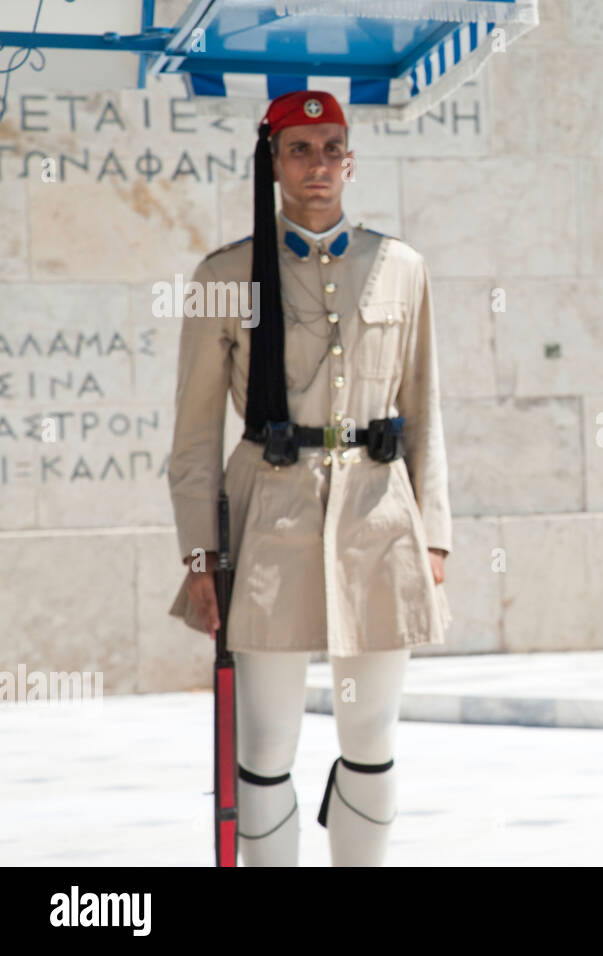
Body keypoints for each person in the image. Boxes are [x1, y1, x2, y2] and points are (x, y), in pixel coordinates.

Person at [167, 90, 453, 866]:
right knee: (266, 743)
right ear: (274, 162)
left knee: (371, 738)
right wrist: (202, 553)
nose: (318, 163)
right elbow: (194, 436)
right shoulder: (226, 275)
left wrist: (437, 541)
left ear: (350, 160)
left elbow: (424, 410)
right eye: (300, 148)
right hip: (270, 519)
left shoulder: (399, 267)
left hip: (379, 516)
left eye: (331, 147)